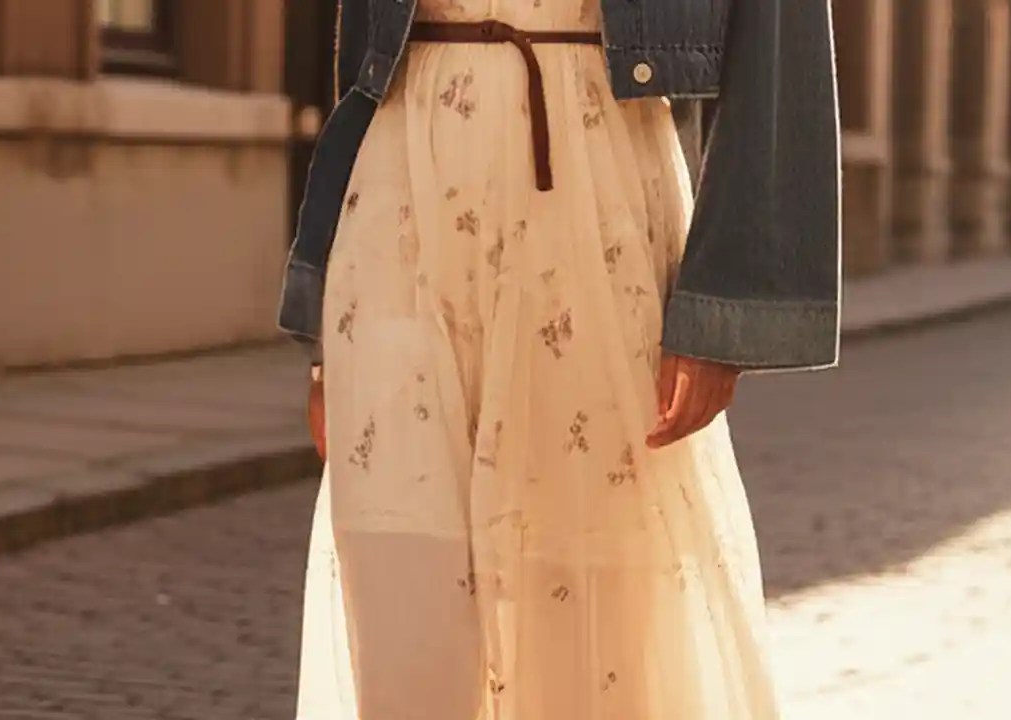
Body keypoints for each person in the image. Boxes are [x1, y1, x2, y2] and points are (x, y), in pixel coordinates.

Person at [278, 0, 839, 717]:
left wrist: (728, 301)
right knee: (400, 586)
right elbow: (359, 53)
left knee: (583, 614)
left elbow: (778, 31)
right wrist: (324, 329)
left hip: (595, 184)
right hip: (395, 191)